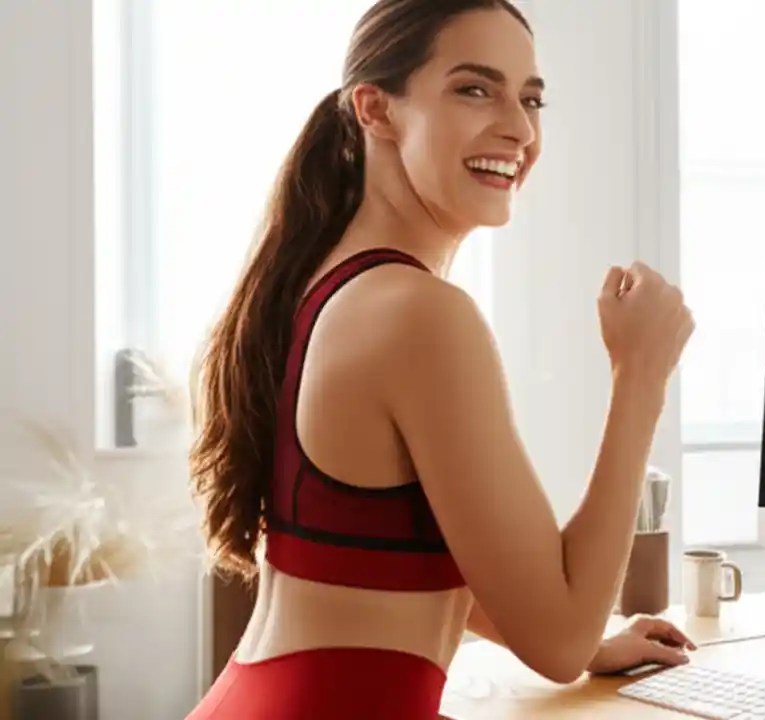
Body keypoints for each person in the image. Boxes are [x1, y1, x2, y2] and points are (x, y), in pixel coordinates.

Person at [185, 4, 696, 718]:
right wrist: (639, 373)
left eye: (531, 97)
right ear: (376, 109)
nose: (520, 127)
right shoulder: (419, 315)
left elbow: (386, 558)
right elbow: (558, 644)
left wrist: (588, 637)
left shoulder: (329, 283)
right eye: (474, 88)